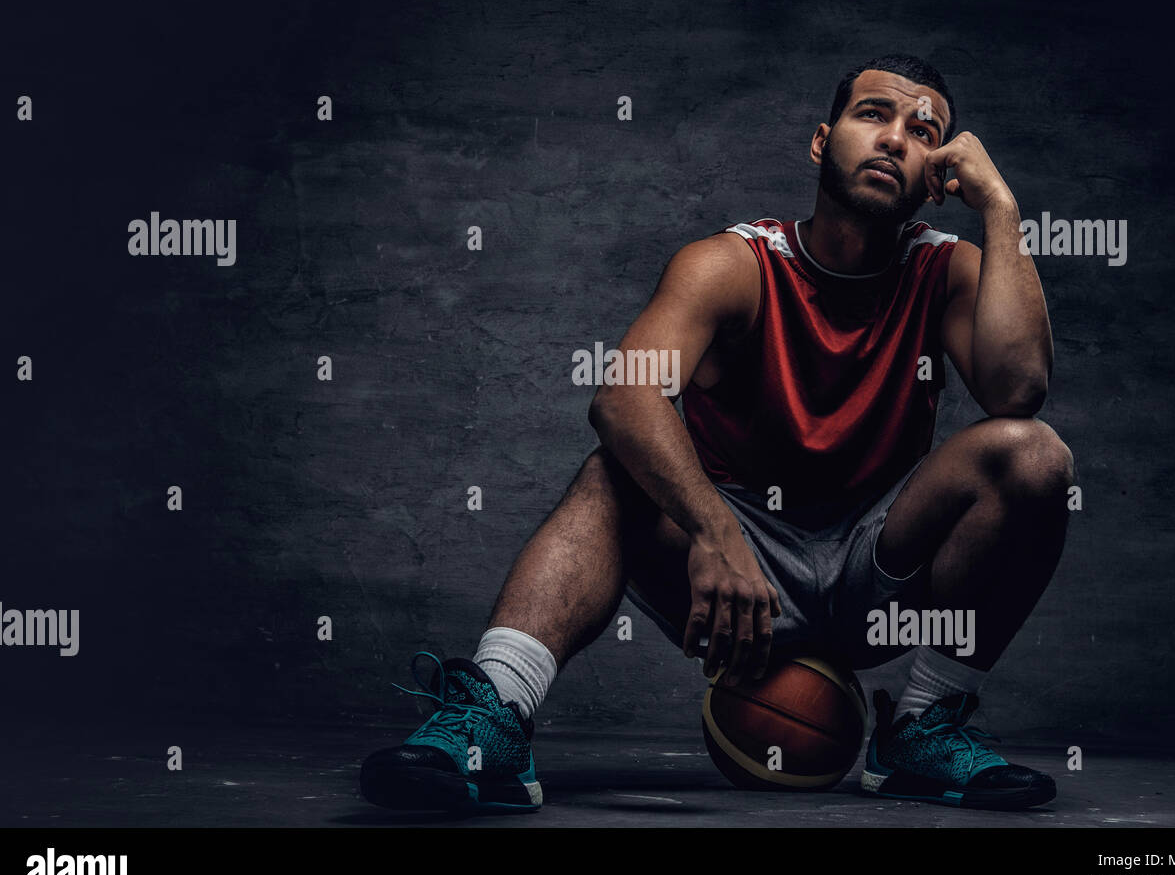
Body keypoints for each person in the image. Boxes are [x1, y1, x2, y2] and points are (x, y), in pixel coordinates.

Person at [360, 54, 1074, 814]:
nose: (896, 138)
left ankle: (922, 726)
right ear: (820, 141)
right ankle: (493, 715)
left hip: (878, 570)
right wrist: (713, 531)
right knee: (612, 471)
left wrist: (1000, 209)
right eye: (874, 115)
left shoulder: (947, 270)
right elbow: (624, 392)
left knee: (1034, 455)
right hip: (736, 572)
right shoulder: (731, 266)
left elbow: (1018, 389)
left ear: (940, 170)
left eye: (923, 129)